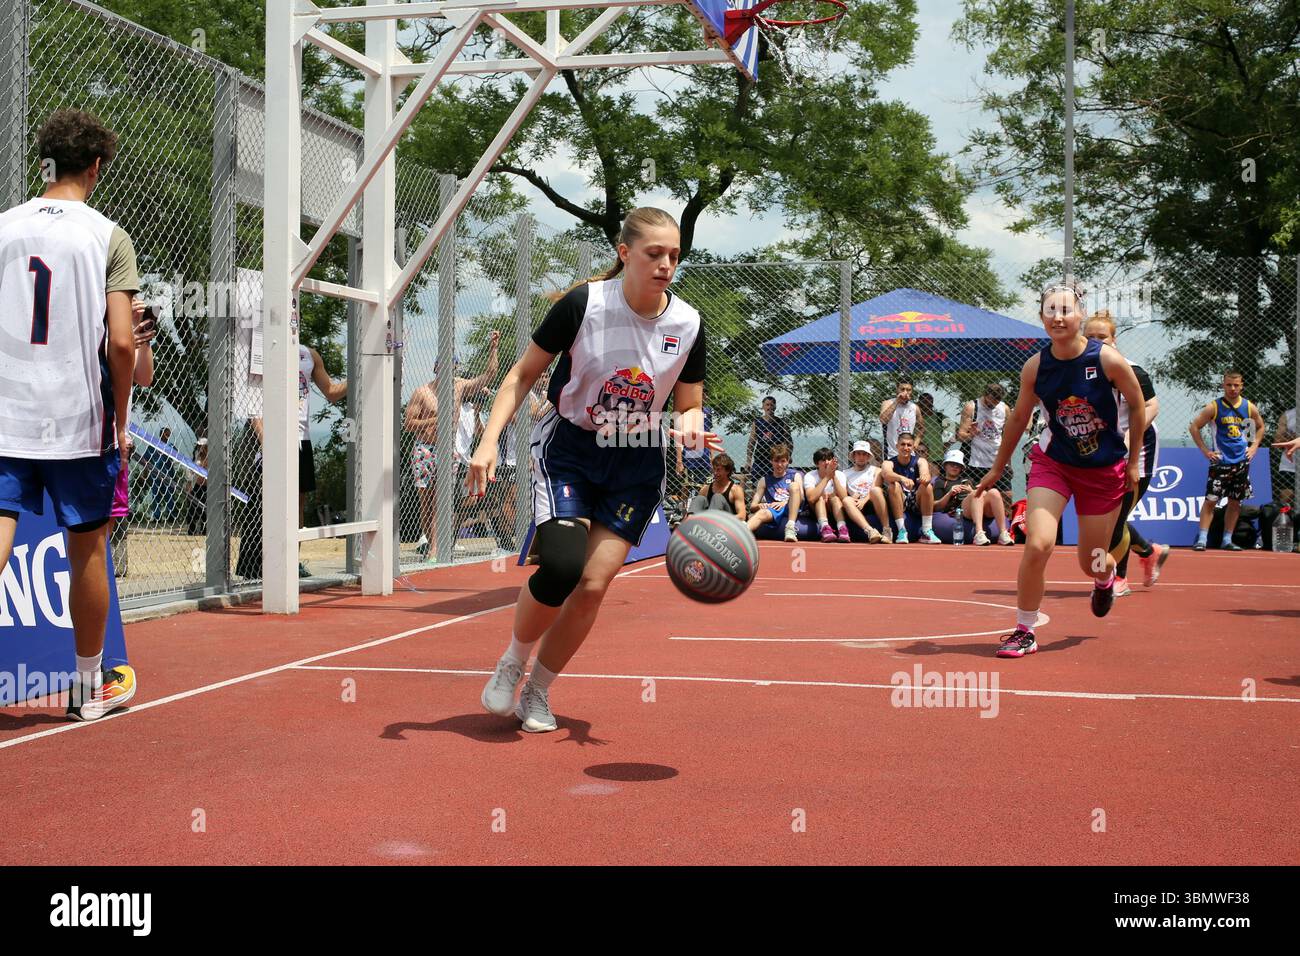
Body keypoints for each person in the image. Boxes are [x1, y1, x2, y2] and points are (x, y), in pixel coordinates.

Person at [468, 207, 716, 733]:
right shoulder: (585, 304)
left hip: (637, 460)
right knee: (560, 566)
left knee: (594, 585)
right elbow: (521, 374)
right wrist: (488, 443)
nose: (666, 264)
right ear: (625, 254)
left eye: (674, 255)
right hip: (573, 449)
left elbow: (689, 403)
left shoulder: (688, 323)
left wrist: (691, 426)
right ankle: (512, 660)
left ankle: (538, 690)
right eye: (654, 254)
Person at [0, 109, 138, 719]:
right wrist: (123, 418)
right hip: (79, 419)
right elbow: (124, 343)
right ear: (97, 167)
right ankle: (86, 690)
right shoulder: (107, 235)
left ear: (44, 162)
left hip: (7, 409)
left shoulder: (4, 227)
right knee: (86, 547)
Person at [973, 280, 1146, 659]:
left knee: (1091, 560)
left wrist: (1133, 461)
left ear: (1080, 314)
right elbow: (1019, 417)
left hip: (1103, 470)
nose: (1059, 316)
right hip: (1054, 464)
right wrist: (996, 468)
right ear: (1041, 318)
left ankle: (1105, 577)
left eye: (1066, 309)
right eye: (1051, 310)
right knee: (1038, 543)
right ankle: (1024, 629)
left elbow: (1137, 406)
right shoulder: (1036, 366)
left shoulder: (1107, 360)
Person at [1084, 311, 1169, 593]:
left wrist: (1132, 435)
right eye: (1090, 337)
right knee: (1109, 516)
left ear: (1114, 340)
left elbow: (1152, 406)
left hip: (1137, 450)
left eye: (1102, 337)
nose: (1096, 342)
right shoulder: (1080, 371)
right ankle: (1148, 552)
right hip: (1103, 451)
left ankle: (1119, 578)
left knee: (1116, 518)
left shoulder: (1130, 369)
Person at [403, 332, 500, 558]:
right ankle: (432, 543)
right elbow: (409, 424)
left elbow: (489, 376)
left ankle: (437, 548)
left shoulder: (459, 387)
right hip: (425, 449)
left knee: (442, 500)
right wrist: (436, 419)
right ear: (436, 368)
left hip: (448, 450)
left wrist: (493, 349)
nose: (450, 370)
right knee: (426, 502)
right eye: (445, 366)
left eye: (453, 366)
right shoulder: (422, 392)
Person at [1188, 370, 1265, 551]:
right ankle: (1202, 539)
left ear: (1241, 385)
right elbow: (1194, 427)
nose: (1232, 388)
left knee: (1235, 502)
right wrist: (1206, 450)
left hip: (1241, 462)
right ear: (1223, 385)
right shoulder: (1214, 407)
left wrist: (1253, 447)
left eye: (1236, 385)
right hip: (1221, 461)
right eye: (1229, 385)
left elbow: (1260, 427)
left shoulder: (1248, 407)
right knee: (1211, 500)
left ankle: (1227, 539)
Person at [108, 298, 157, 538]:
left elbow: (145, 378)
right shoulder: (98, 324)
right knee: (87, 520)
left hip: (120, 440)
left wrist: (142, 340)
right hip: (95, 436)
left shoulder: (128, 332)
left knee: (111, 518)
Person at [932, 447, 1010, 545]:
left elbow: (982, 494)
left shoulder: (968, 480)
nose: (955, 467)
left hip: (981, 508)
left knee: (994, 492)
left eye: (958, 465)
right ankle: (979, 533)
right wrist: (949, 493)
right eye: (952, 464)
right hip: (959, 511)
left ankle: (1003, 533)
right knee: (975, 494)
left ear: (961, 468)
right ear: (945, 466)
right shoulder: (940, 482)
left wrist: (971, 490)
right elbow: (936, 506)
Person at [882, 432, 939, 543]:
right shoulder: (889, 462)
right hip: (899, 498)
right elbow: (886, 474)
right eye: (903, 444)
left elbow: (926, 474)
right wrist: (902, 478)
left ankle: (927, 531)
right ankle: (902, 531)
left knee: (927, 487)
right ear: (897, 446)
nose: (906, 448)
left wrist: (924, 478)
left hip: (915, 499)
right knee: (894, 486)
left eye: (909, 445)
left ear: (913, 447)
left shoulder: (920, 461)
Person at [748, 444, 803, 542]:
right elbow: (753, 506)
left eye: (783, 461)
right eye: (776, 461)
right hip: (774, 510)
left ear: (787, 462)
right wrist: (761, 505)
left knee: (794, 486)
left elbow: (801, 498)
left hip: (790, 507)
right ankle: (739, 533)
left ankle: (790, 528)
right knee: (762, 513)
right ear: (771, 461)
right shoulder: (764, 480)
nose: (779, 465)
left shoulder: (795, 475)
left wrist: (785, 502)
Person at [841, 440, 887, 543]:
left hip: (872, 502)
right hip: (856, 504)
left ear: (868, 457)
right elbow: (843, 494)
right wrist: (854, 498)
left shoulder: (876, 470)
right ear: (853, 456)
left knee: (876, 490)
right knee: (847, 500)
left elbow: (876, 488)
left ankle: (886, 530)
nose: (861, 457)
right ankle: (870, 531)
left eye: (864, 454)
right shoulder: (845, 473)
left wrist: (864, 500)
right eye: (858, 454)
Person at [802, 447, 850, 542]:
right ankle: (825, 528)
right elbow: (811, 498)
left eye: (829, 459)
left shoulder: (840, 475)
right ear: (817, 463)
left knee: (835, 498)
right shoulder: (810, 476)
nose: (827, 462)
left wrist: (833, 476)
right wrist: (827, 477)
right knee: (819, 497)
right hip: (817, 509)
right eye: (823, 460)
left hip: (835, 509)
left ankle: (842, 529)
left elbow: (844, 497)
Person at [745, 395, 792, 482]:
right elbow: (751, 442)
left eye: (772, 405)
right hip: (760, 459)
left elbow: (789, 442)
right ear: (763, 406)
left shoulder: (782, 423)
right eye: (767, 405)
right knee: (756, 483)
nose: (769, 407)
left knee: (776, 483)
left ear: (775, 406)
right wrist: (748, 461)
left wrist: (789, 456)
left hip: (777, 459)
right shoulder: (757, 422)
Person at [687, 452, 746, 517]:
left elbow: (742, 516)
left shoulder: (736, 490)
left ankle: (711, 522)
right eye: (714, 469)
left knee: (717, 497)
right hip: (707, 521)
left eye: (718, 470)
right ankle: (690, 522)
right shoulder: (706, 489)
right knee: (699, 498)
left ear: (727, 471)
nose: (715, 473)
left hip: (726, 523)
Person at [880, 378, 922, 459]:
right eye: (902, 389)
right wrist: (897, 402)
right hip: (891, 453)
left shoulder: (914, 407)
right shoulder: (888, 403)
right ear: (897, 389)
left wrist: (916, 443)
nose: (905, 392)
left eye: (908, 390)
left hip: (909, 453)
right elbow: (883, 420)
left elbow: (921, 428)